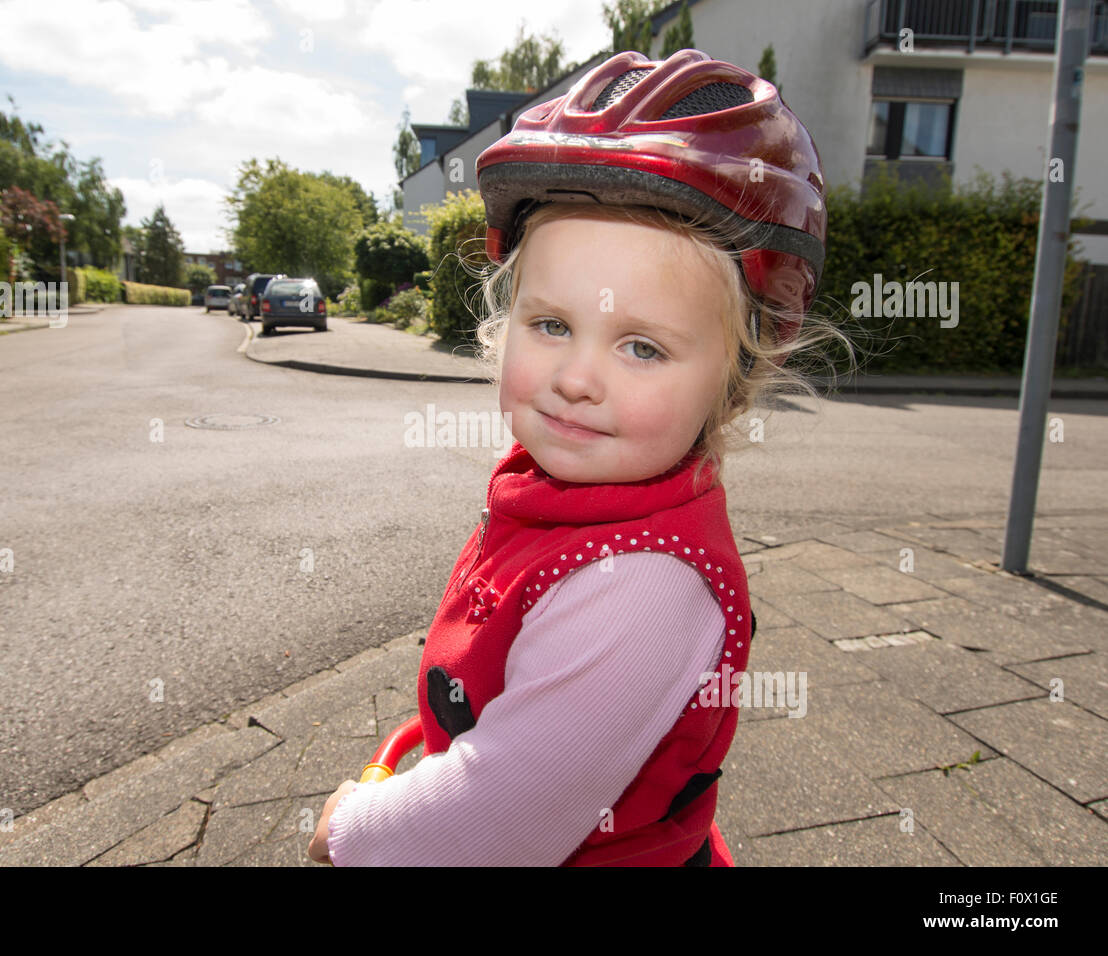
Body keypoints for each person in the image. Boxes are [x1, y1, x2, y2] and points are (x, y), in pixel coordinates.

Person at [308, 48, 853, 866]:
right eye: (552, 325)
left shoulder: (641, 588)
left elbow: (497, 818)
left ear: (738, 373)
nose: (575, 378)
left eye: (641, 346)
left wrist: (349, 829)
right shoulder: (568, 489)